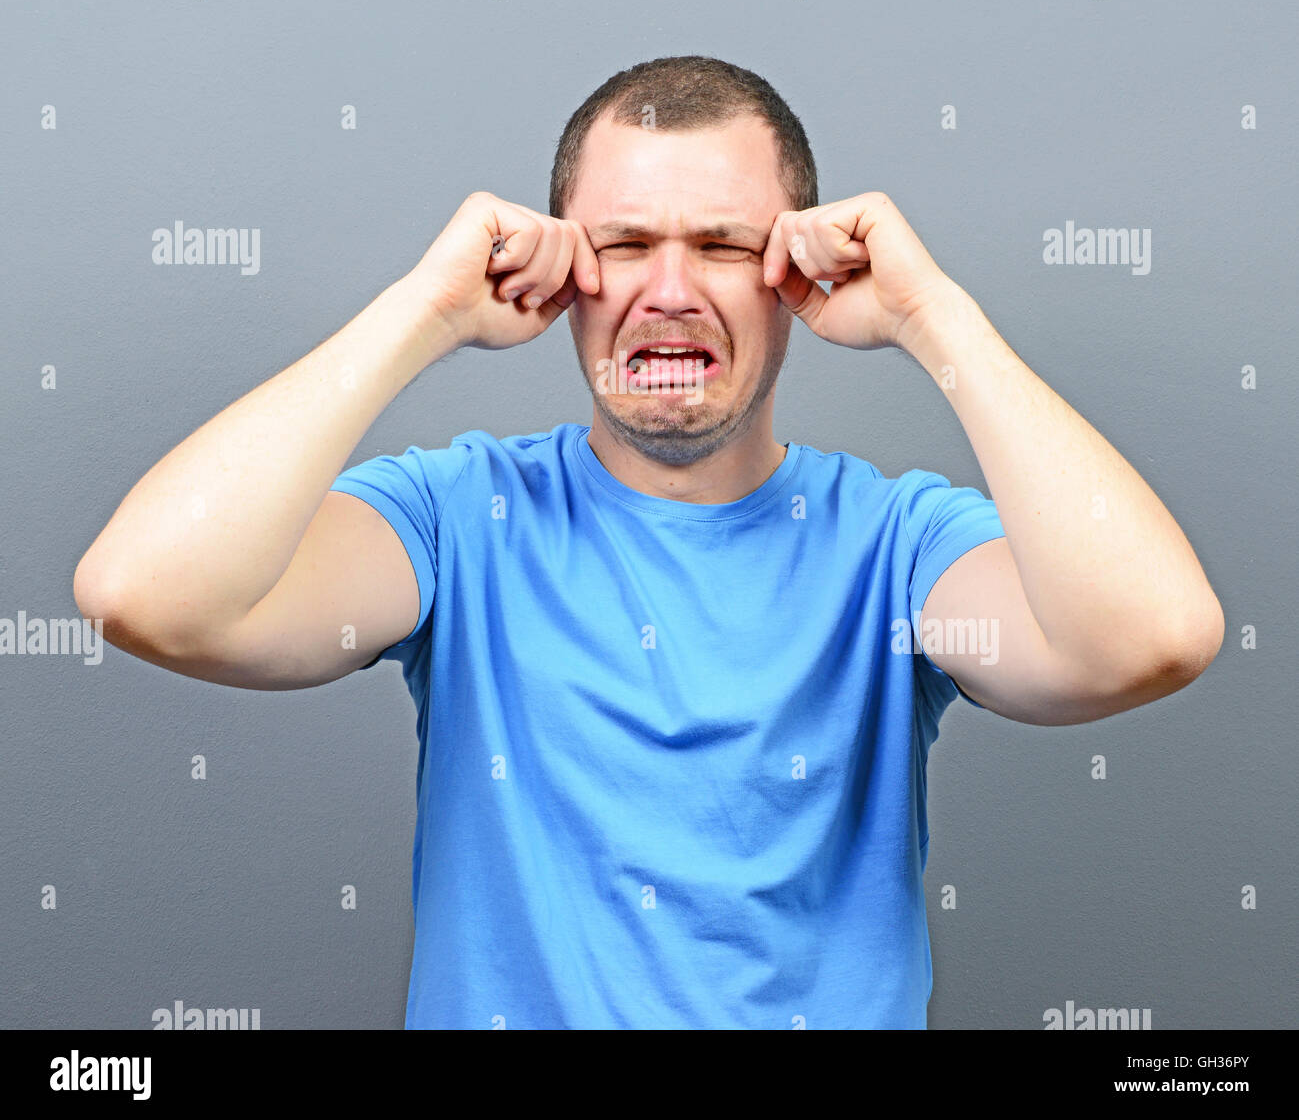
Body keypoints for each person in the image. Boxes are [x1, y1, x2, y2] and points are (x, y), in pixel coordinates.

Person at [74, 55, 1224, 1029]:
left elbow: (1153, 637)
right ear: (564, 270)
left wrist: (938, 322)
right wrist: (421, 315)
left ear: (799, 274)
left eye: (724, 244)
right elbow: (146, 594)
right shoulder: (458, 519)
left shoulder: (899, 546)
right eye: (624, 243)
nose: (668, 292)